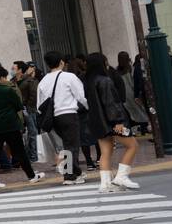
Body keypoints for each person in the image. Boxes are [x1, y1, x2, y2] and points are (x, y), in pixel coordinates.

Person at [0, 61, 45, 188]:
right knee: (20, 151)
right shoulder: (8, 90)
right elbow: (18, 106)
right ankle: (31, 176)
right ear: (0, 78)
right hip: (10, 125)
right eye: (4, 77)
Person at [84, 52, 140, 193]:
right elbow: (111, 103)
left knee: (105, 152)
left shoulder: (88, 82)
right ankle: (121, 177)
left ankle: (105, 184)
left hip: (98, 123)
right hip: (114, 122)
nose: (107, 64)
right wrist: (118, 121)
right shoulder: (105, 81)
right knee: (132, 146)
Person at [36, 51, 90, 185]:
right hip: (68, 114)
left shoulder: (43, 81)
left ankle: (75, 172)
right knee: (72, 145)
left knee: (67, 145)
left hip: (53, 118)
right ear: (61, 62)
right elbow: (81, 96)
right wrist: (89, 107)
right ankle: (69, 176)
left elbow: (39, 105)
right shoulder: (69, 77)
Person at [13, 62, 40, 163]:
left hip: (28, 109)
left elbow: (34, 95)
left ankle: (33, 155)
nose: (12, 69)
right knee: (21, 133)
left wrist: (27, 106)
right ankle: (25, 155)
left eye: (14, 68)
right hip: (17, 110)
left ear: (20, 70)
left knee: (32, 132)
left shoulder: (30, 80)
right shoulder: (13, 81)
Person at [116, 51, 149, 135]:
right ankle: (144, 128)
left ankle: (129, 131)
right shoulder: (130, 68)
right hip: (133, 93)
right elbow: (134, 82)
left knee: (128, 114)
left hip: (123, 95)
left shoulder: (117, 71)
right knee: (140, 111)